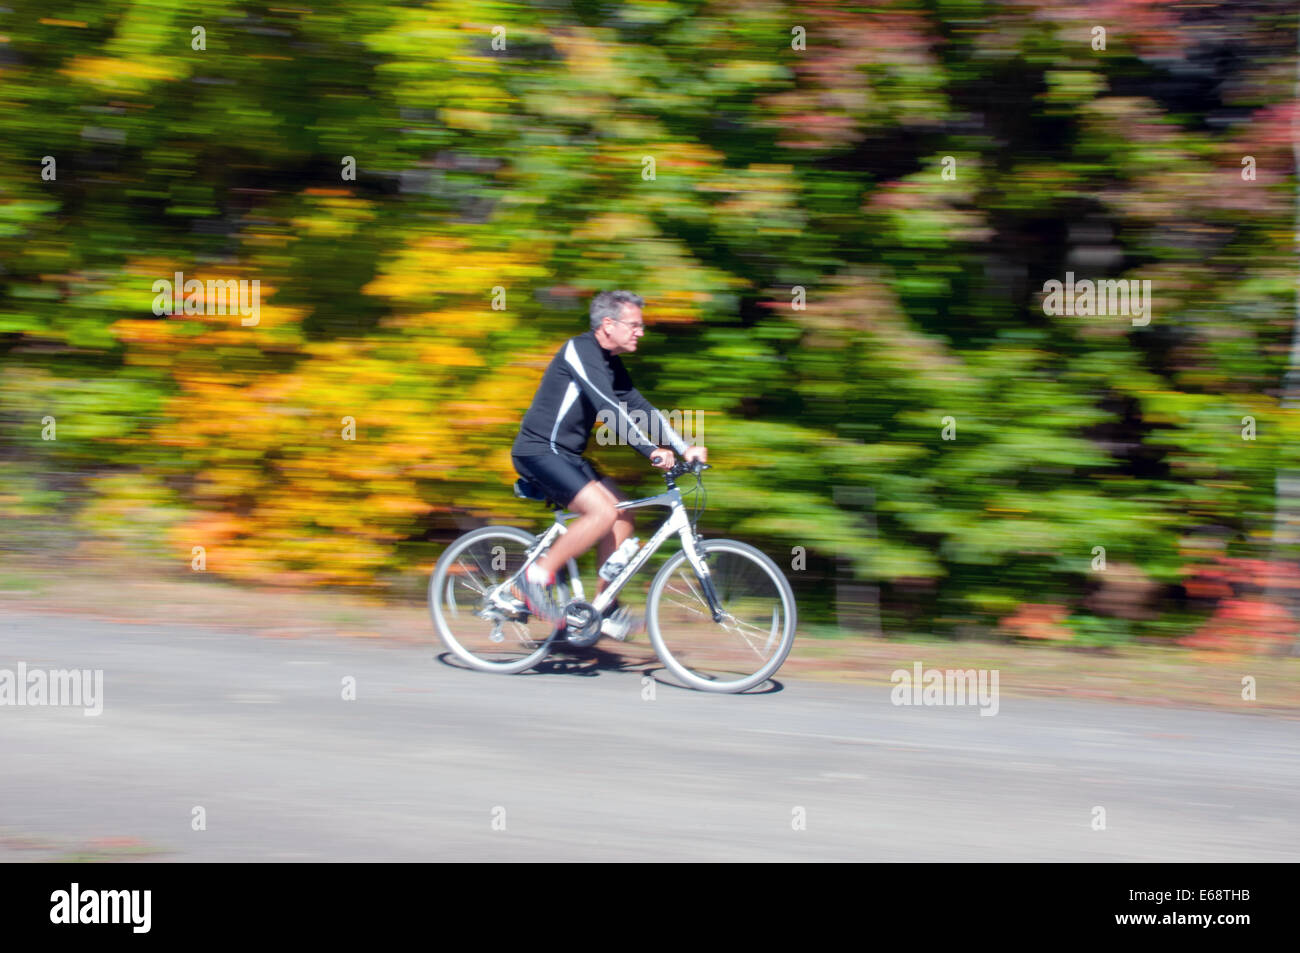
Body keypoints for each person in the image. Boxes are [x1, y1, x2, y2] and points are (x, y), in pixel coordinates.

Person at [511, 290, 708, 639]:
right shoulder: (579, 350)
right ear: (608, 324)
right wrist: (650, 451)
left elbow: (640, 408)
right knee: (602, 513)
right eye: (634, 325)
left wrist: (684, 446)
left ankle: (604, 604)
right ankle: (534, 579)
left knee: (623, 513)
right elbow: (609, 409)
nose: (641, 332)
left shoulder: (610, 363)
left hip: (568, 456)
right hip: (538, 451)